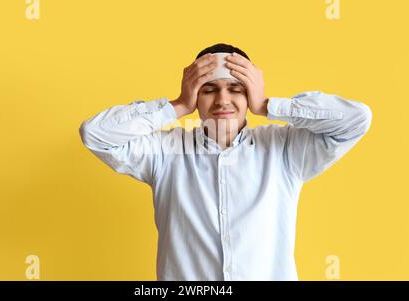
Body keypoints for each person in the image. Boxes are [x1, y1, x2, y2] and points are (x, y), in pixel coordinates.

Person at [79, 43, 372, 281]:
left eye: (235, 89)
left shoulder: (285, 150)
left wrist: (269, 105)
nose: (222, 100)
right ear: (196, 95)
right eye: (208, 89)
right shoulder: (165, 152)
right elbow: (95, 134)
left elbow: (356, 119)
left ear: (250, 93)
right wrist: (176, 106)